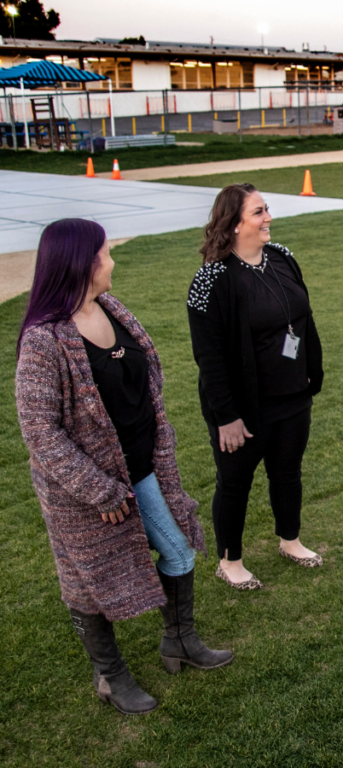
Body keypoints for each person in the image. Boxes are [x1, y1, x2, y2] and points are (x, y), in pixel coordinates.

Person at [15, 219, 232, 716]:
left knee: (178, 550)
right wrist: (101, 491)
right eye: (107, 254)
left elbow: (145, 382)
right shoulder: (43, 342)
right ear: (84, 264)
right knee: (88, 580)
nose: (113, 261)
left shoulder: (112, 309)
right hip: (87, 490)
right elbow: (41, 434)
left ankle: (178, 640)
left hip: (143, 469)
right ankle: (111, 676)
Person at [187, 184, 325, 589]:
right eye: (259, 212)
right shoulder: (211, 278)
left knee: (287, 472)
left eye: (267, 210)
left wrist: (311, 374)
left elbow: (302, 318)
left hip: (293, 395)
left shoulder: (282, 258)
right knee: (235, 483)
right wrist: (227, 416)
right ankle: (230, 561)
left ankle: (290, 540)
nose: (268, 218)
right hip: (244, 407)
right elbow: (208, 356)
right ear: (233, 224)